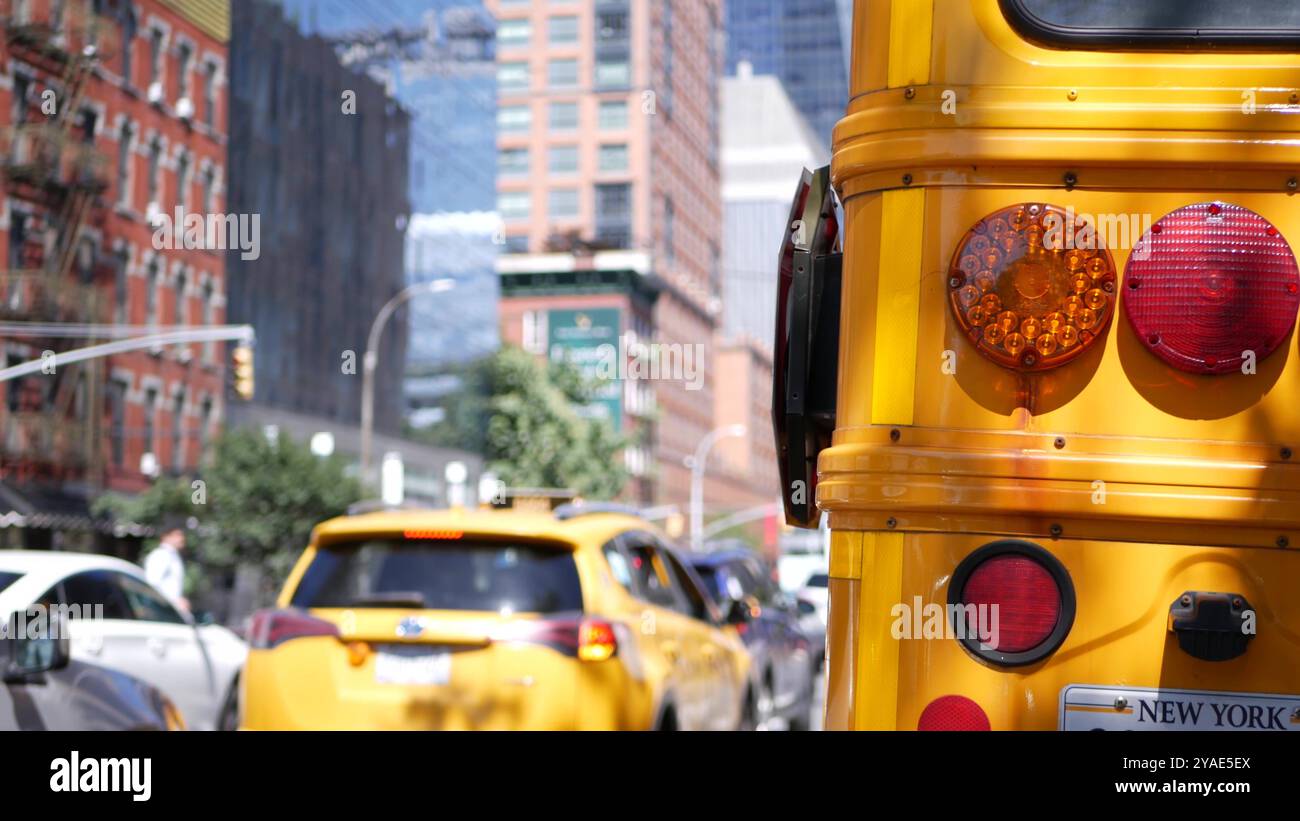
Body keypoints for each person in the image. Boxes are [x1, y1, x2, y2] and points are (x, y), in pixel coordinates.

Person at [144, 527, 189, 613]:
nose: (181, 538)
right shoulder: (161, 555)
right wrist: (174, 601)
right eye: (177, 535)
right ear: (165, 537)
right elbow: (152, 583)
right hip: (161, 608)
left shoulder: (171, 555)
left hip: (170, 607)